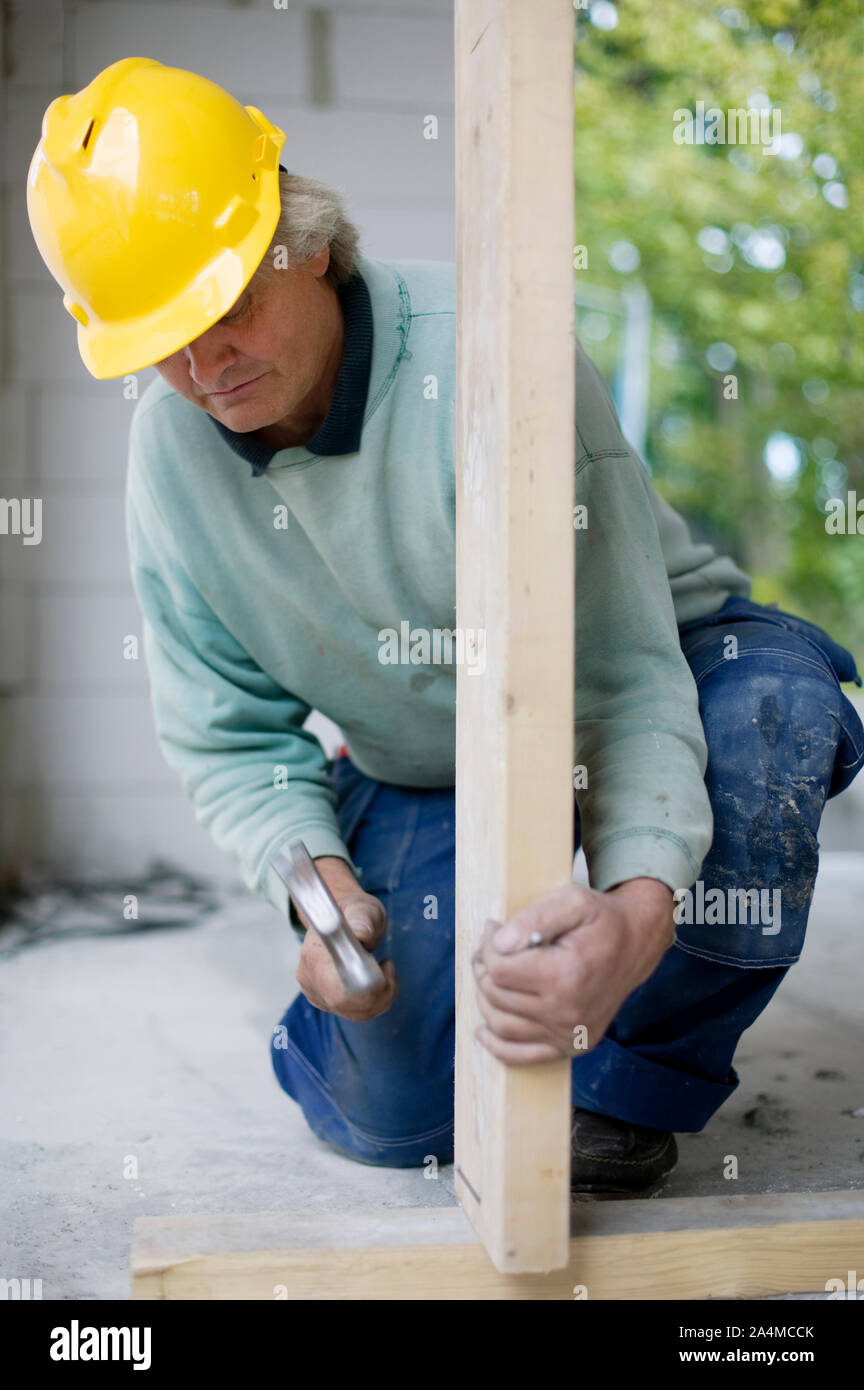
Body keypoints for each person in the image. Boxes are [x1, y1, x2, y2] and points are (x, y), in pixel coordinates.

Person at [27, 58, 864, 1194]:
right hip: (436, 746)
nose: (201, 367)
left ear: (305, 239)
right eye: (158, 343)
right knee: (400, 1121)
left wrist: (630, 923)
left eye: (223, 311)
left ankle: (632, 1080)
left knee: (779, 721)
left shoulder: (494, 359)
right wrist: (319, 890)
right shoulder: (170, 462)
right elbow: (230, 736)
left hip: (670, 654)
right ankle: (387, 1019)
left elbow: (622, 675)